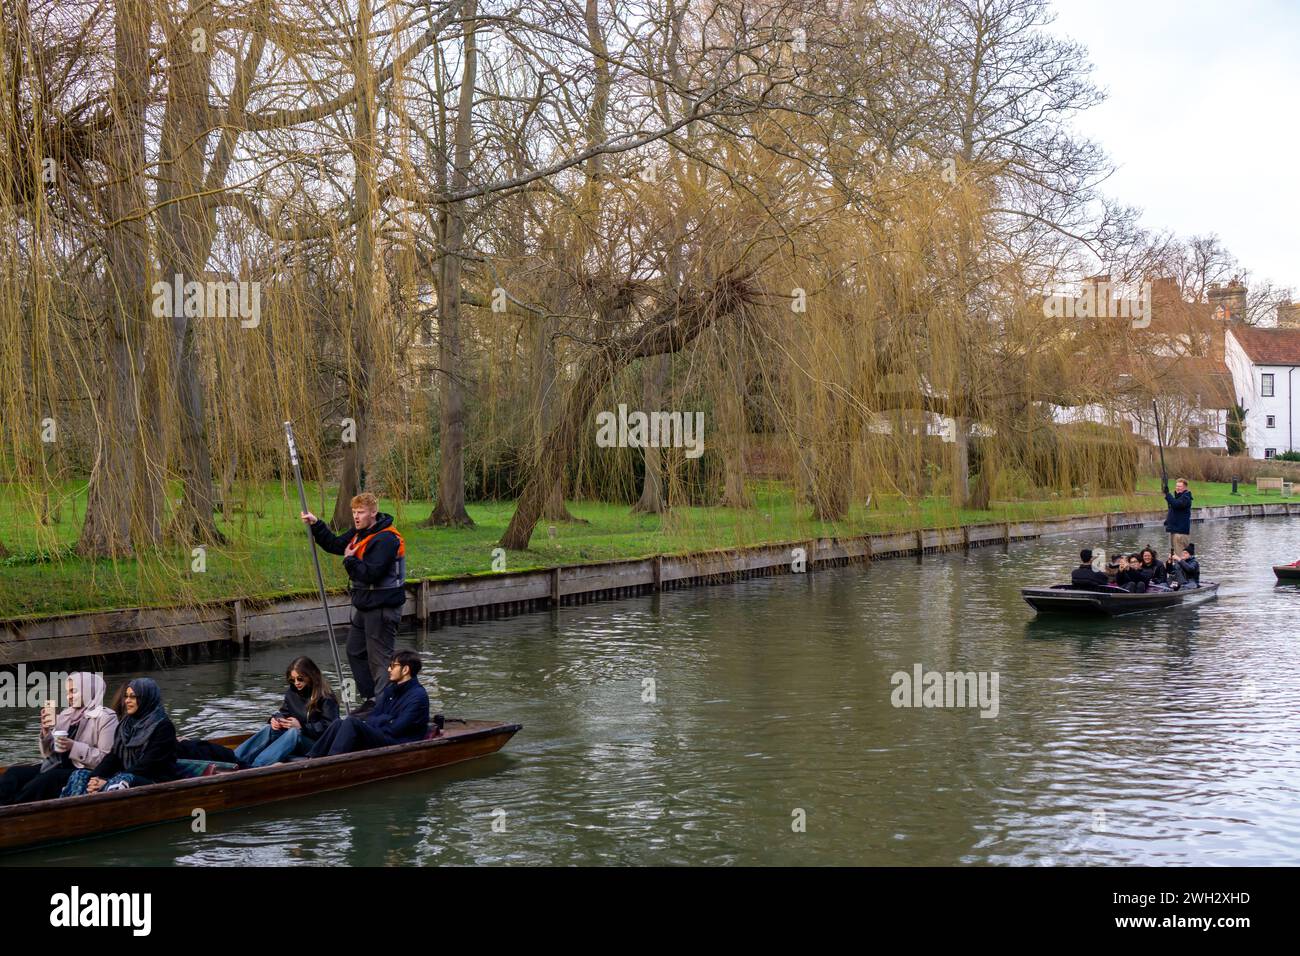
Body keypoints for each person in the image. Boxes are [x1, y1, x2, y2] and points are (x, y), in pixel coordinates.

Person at [301, 492, 406, 714]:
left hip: (383, 607)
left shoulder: (386, 539)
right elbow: (335, 544)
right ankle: (371, 698)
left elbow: (371, 574)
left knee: (379, 659)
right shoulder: (360, 533)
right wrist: (316, 524)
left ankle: (384, 705)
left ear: (373, 513)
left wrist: (349, 560)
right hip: (366, 605)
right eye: (354, 513)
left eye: (361, 513)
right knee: (355, 650)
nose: (356, 517)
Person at [0, 673, 117, 806]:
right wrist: (46, 733)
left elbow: (106, 759)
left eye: (73, 691)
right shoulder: (66, 715)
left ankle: (11, 812)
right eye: (67, 692)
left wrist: (73, 746)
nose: (69, 697)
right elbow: (49, 755)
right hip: (56, 765)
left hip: (83, 770)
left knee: (46, 780)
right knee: (14, 773)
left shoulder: (106, 717)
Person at [60, 678, 178, 796]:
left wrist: (107, 781)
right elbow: (114, 756)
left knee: (121, 781)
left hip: (155, 781)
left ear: (146, 698)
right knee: (80, 776)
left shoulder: (163, 726)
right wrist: (94, 778)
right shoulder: (125, 724)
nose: (127, 701)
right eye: (126, 696)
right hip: (126, 774)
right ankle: (70, 810)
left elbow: (149, 764)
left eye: (133, 697)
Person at [306, 651, 429, 759]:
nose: (389, 669)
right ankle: (312, 757)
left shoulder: (418, 696)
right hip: (383, 733)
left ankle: (331, 762)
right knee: (339, 723)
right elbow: (374, 715)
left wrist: (376, 723)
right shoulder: (391, 689)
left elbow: (395, 728)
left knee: (352, 722)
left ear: (406, 669)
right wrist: (385, 720)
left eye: (392, 666)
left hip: (399, 741)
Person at [235, 656, 340, 767]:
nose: (296, 683)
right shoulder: (292, 693)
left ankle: (257, 766)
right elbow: (283, 713)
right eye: (292, 680)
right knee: (269, 729)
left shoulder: (326, 697)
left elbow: (331, 727)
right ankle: (234, 759)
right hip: (297, 737)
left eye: (300, 679)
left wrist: (302, 727)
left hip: (317, 745)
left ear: (311, 676)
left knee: (294, 733)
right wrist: (275, 720)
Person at [1163, 477, 1193, 556]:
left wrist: (1168, 494)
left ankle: (1180, 567)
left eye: (1180, 486)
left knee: (1180, 555)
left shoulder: (1186, 497)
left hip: (1180, 532)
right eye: (1177, 486)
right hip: (1175, 530)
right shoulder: (1179, 497)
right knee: (1174, 554)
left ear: (1185, 487)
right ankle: (1175, 567)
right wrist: (1168, 521)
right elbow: (1174, 510)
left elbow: (1176, 504)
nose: (1177, 488)